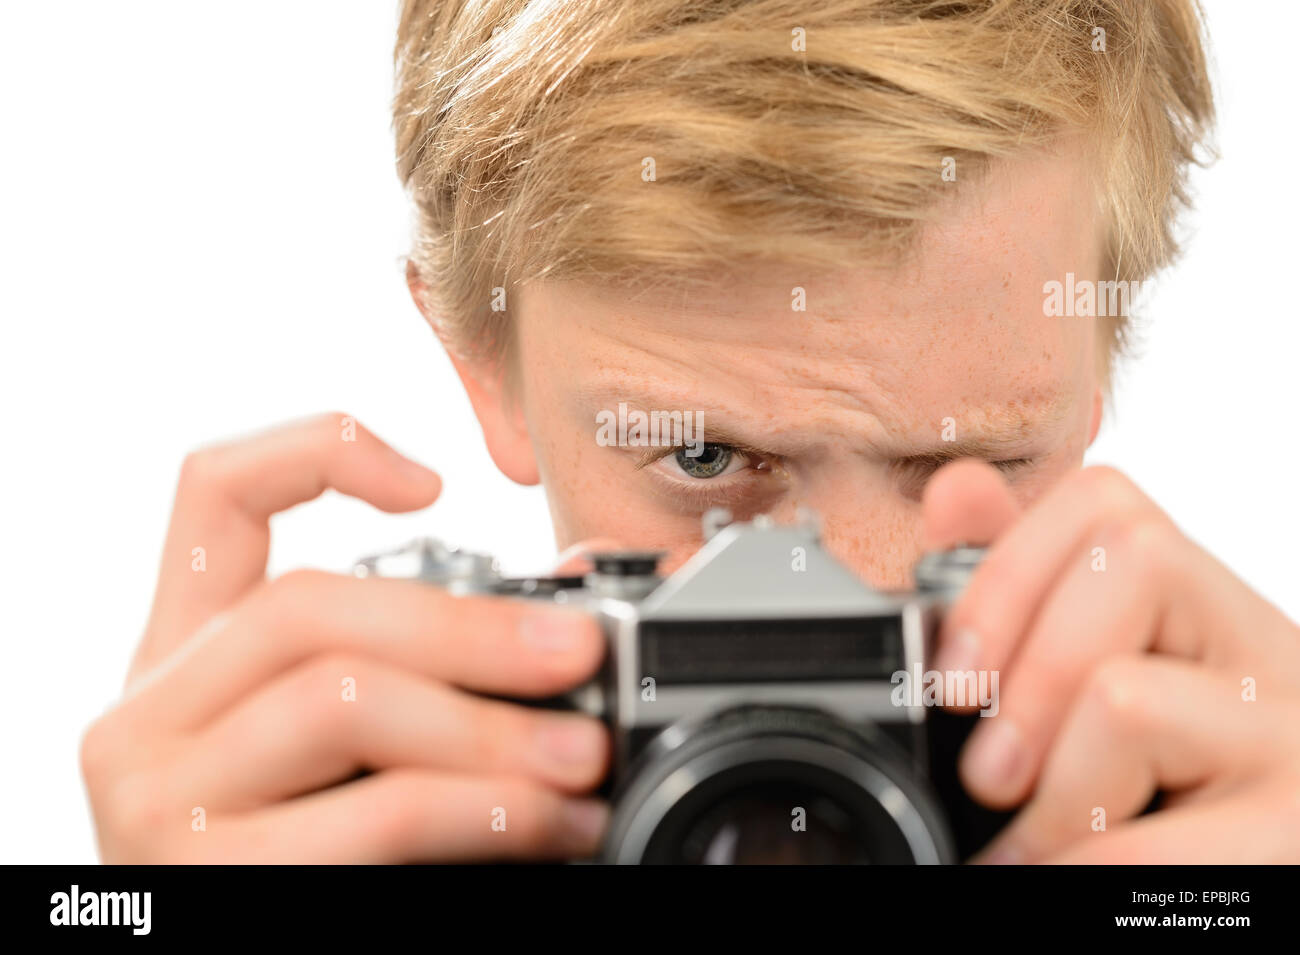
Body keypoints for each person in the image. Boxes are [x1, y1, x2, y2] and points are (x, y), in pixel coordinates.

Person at [81, 0, 1300, 863]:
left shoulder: (1210, 808)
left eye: (973, 464)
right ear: (483, 372)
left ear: (1094, 374)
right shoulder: (411, 803)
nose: (837, 591)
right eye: (703, 459)